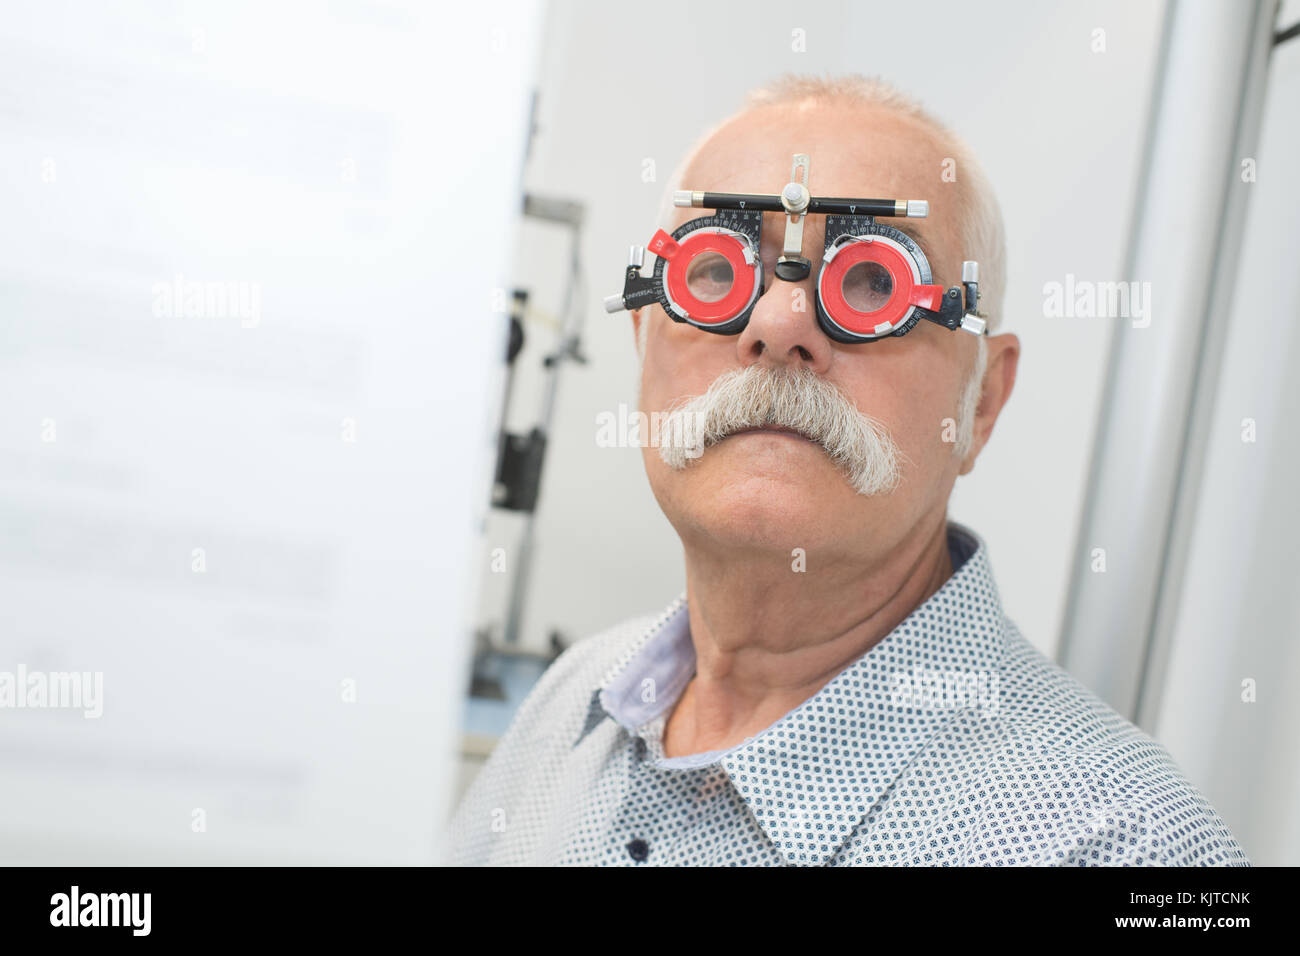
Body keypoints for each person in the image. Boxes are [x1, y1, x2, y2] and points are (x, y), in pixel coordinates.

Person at [444, 73, 1249, 866]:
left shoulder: (1127, 849)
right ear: (642, 345)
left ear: (981, 404)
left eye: (871, 281)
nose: (779, 322)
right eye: (718, 271)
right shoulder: (574, 700)